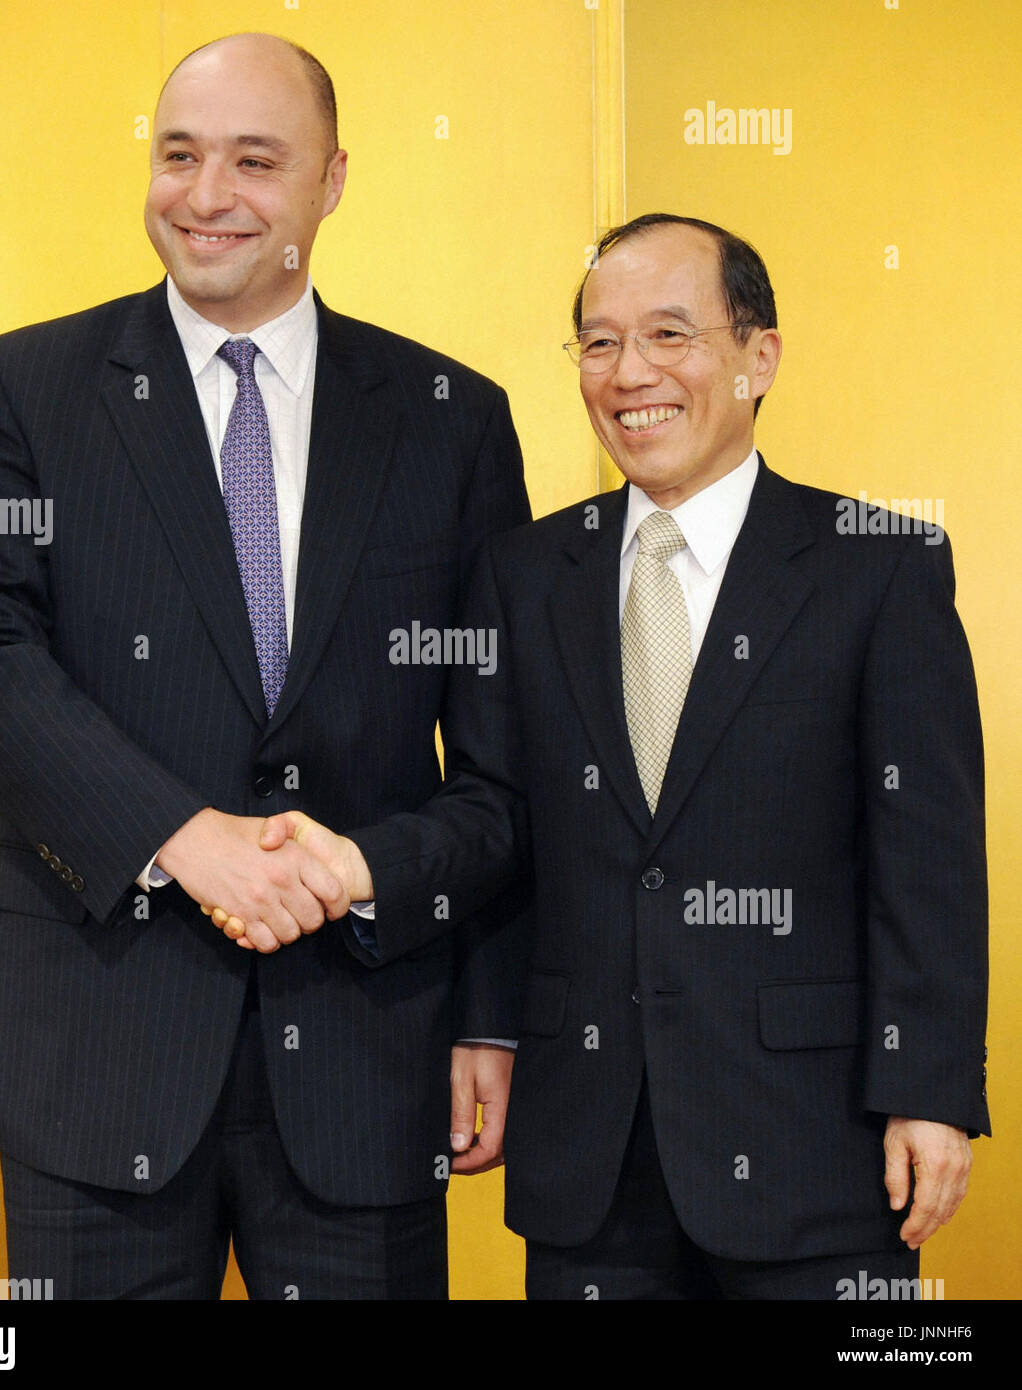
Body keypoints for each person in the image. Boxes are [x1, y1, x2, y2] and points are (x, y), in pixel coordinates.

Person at [239, 213, 991, 1299]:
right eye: (599, 342)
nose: (629, 372)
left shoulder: (879, 568)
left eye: (670, 335)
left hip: (815, 1144)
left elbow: (928, 858)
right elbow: (497, 816)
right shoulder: (527, 572)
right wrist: (410, 924)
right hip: (588, 1153)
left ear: (758, 355)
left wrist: (928, 1089)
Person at [0, 32, 530, 1300]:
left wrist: (489, 1010)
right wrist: (177, 833)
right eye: (180, 155)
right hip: (94, 1047)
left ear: (333, 180)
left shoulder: (450, 418)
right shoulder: (20, 391)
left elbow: (503, 762)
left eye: (255, 160)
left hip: (369, 1053)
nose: (206, 196)